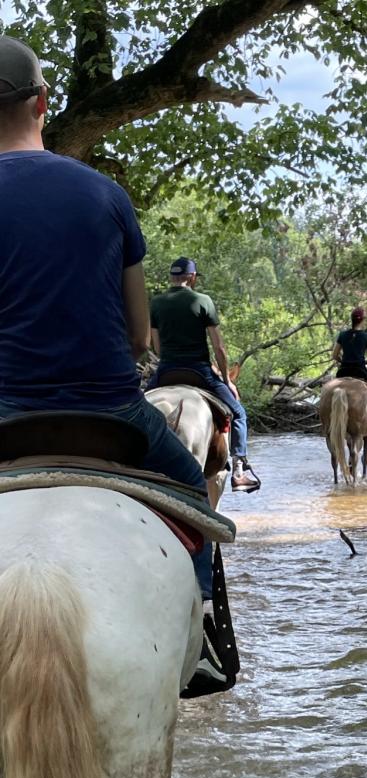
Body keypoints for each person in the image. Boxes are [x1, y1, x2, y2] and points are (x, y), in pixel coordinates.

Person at [0, 35, 229, 694]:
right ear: (43, 103)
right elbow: (136, 335)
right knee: (192, 488)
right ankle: (206, 635)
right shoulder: (106, 195)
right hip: (111, 413)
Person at [146, 258, 260, 493]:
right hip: (199, 370)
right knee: (238, 413)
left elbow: (156, 348)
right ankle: (239, 470)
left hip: (167, 370)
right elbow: (219, 347)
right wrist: (227, 381)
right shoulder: (202, 301)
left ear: (172, 277)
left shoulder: (156, 303)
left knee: (135, 408)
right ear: (192, 277)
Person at [332, 306, 367, 431]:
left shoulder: (342, 335)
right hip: (360, 371)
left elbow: (334, 356)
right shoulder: (366, 337)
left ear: (351, 320)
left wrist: (344, 361)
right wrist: (363, 361)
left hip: (343, 371)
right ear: (363, 321)